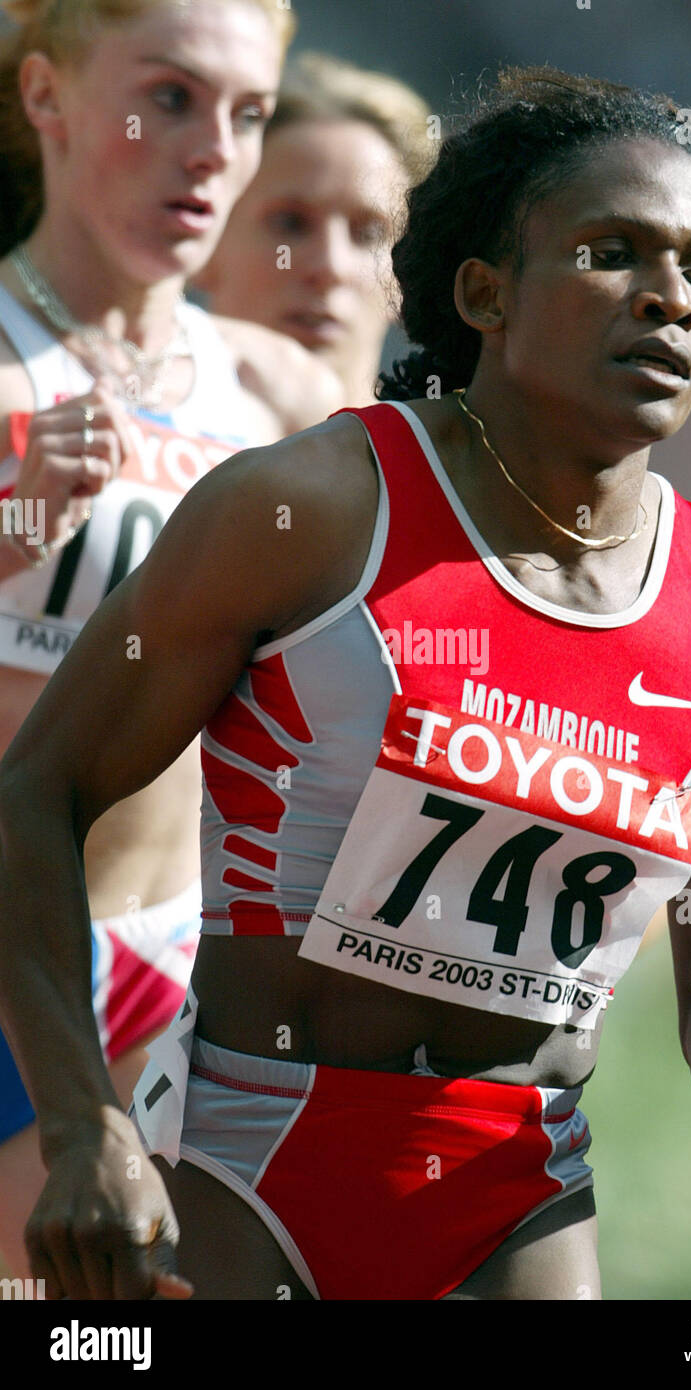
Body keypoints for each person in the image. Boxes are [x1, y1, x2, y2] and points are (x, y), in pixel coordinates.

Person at [0, 67, 691, 1301]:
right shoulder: (307, 510)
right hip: (245, 1156)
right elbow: (34, 792)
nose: (667, 299)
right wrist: (85, 1125)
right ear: (482, 291)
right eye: (612, 254)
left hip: (518, 1188)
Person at [0, 0, 341, 1277]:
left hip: (191, 976)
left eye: (248, 113)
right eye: (172, 99)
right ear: (50, 96)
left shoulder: (279, 397)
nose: (211, 151)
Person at [197, 52, 433, 406]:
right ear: (205, 238)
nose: (330, 267)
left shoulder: (461, 459)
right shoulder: (118, 439)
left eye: (369, 234)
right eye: (290, 223)